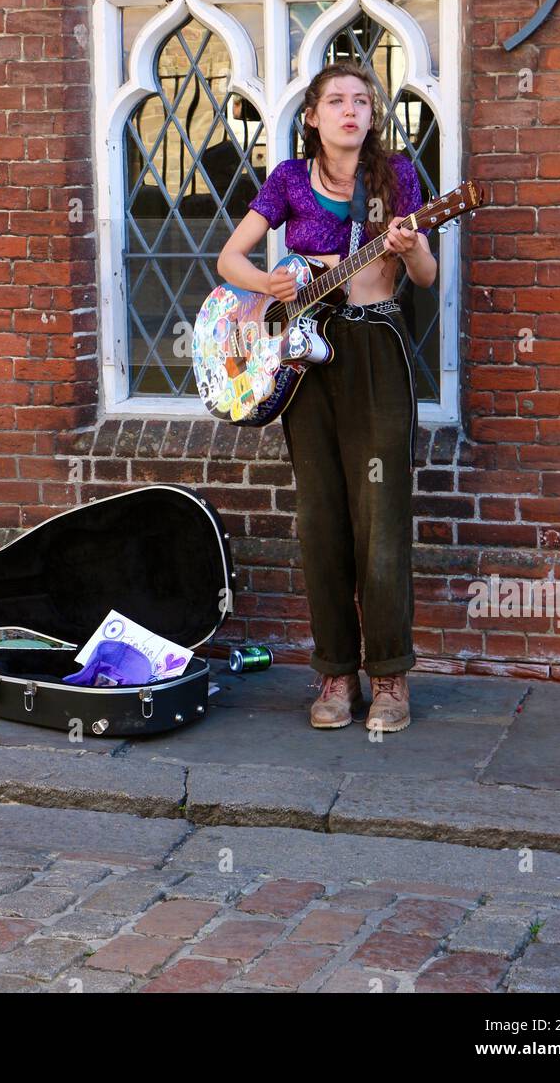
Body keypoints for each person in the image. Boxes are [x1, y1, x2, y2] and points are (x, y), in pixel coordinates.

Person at [216, 61, 437, 734]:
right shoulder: (287, 179)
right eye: (336, 100)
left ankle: (390, 677)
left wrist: (411, 241)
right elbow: (229, 261)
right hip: (304, 357)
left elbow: (424, 278)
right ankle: (336, 672)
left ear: (373, 115)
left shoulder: (394, 177)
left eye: (362, 101)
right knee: (321, 516)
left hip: (375, 346)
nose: (350, 110)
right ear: (312, 114)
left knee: (383, 515)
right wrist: (270, 285)